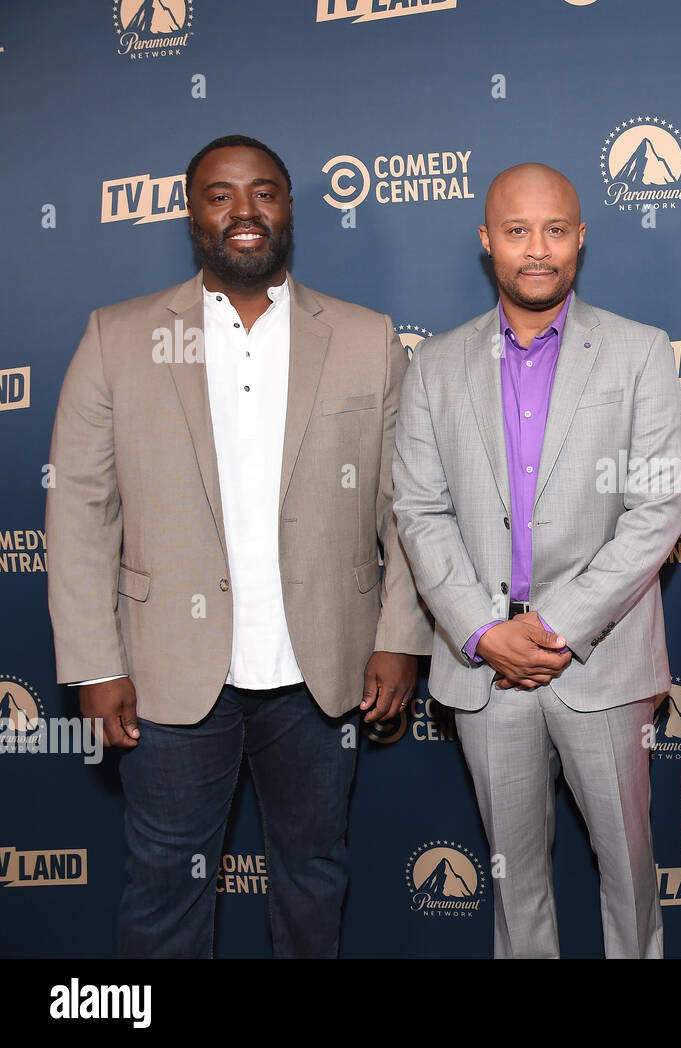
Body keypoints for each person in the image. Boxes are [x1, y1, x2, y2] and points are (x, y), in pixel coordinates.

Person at [45, 134, 434, 958]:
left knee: (314, 876)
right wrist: (93, 662)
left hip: (322, 672)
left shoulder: (367, 337)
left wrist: (401, 637)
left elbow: (406, 507)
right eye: (220, 195)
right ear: (192, 213)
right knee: (163, 886)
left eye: (263, 192)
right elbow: (80, 507)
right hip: (168, 674)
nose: (244, 211)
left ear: (289, 208)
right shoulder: (120, 337)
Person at [392, 163, 681, 959]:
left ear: (581, 238)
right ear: (486, 240)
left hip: (603, 664)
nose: (537, 249)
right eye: (517, 231)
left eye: (555, 229)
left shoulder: (639, 352)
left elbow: (657, 509)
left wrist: (554, 625)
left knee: (629, 876)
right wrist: (483, 632)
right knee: (513, 886)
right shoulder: (434, 366)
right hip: (487, 670)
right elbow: (419, 512)